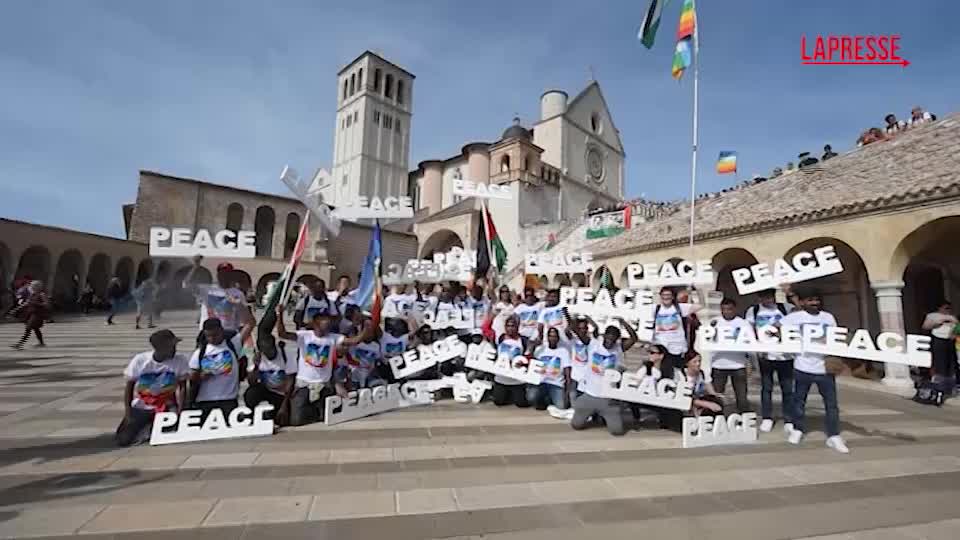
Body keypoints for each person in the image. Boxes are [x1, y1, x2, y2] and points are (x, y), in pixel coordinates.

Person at [781, 287, 848, 453]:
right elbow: (773, 330)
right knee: (799, 402)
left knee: (831, 405)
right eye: (810, 300)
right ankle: (798, 429)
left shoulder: (828, 317)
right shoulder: (793, 318)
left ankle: (833, 435)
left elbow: (836, 337)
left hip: (825, 368)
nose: (815, 303)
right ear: (802, 302)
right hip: (802, 366)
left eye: (817, 300)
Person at [275, 307, 368, 426]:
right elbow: (282, 334)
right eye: (324, 321)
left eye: (328, 321)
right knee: (297, 421)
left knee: (325, 418)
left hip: (324, 384)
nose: (327, 324)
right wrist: (280, 314)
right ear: (315, 323)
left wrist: (365, 329)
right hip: (304, 384)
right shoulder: (304, 336)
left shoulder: (333, 337)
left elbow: (354, 341)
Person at [116, 329, 190, 446]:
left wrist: (181, 410)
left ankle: (151, 428)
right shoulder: (141, 360)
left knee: (171, 435)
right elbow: (129, 387)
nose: (175, 349)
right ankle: (147, 426)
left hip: (167, 405)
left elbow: (183, 388)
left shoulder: (180, 360)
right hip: (142, 405)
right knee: (123, 440)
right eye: (171, 346)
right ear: (160, 348)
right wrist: (128, 412)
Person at [570, 318, 638, 436]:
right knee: (576, 425)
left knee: (617, 431)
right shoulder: (593, 344)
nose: (609, 341)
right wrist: (582, 318)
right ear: (604, 335)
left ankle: (604, 416)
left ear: (617, 339)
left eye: (613, 339)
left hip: (607, 398)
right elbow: (575, 330)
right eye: (608, 337)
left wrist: (624, 322)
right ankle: (591, 413)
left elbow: (634, 338)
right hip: (590, 394)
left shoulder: (619, 349)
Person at [746, 289, 794, 433]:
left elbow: (798, 312)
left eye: (770, 297)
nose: (767, 300)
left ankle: (789, 419)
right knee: (767, 388)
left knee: (787, 388)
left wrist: (790, 293)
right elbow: (750, 330)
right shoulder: (753, 311)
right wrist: (755, 348)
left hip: (785, 355)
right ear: (759, 298)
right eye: (764, 297)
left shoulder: (785, 308)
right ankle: (767, 417)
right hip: (765, 355)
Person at [187, 316, 255, 418]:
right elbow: (191, 377)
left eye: (215, 335)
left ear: (221, 331)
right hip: (205, 400)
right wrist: (200, 376)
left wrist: (240, 304)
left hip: (228, 399)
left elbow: (250, 324)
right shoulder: (200, 353)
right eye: (208, 336)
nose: (212, 338)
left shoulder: (233, 344)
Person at [708, 298, 753, 413]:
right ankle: (716, 418)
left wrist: (750, 362)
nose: (726, 312)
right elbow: (707, 340)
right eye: (723, 309)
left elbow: (750, 343)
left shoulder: (743, 323)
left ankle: (744, 419)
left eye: (729, 309)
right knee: (717, 395)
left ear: (735, 309)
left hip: (738, 364)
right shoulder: (714, 322)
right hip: (718, 364)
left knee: (741, 396)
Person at [244, 333, 297, 425]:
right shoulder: (258, 358)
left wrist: (284, 406)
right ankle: (251, 414)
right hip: (267, 390)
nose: (269, 353)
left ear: (274, 345)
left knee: (283, 420)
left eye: (271, 349)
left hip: (282, 394)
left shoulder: (286, 355)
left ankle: (273, 414)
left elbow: (291, 382)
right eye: (265, 351)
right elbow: (251, 382)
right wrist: (256, 366)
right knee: (250, 393)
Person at [651, 287, 701, 377]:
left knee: (678, 375)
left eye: (668, 295)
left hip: (678, 348)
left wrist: (699, 290)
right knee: (663, 374)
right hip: (661, 348)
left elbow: (700, 305)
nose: (666, 297)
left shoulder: (680, 308)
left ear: (673, 297)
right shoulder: (655, 308)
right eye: (663, 295)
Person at [491, 315, 531, 407]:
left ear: (517, 327)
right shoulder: (500, 338)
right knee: (498, 402)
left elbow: (528, 357)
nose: (510, 328)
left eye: (513, 326)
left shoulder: (523, 340)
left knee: (521, 404)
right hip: (501, 379)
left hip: (517, 380)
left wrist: (523, 362)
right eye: (508, 326)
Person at [528, 327, 571, 412]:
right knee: (530, 398)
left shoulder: (564, 351)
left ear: (558, 338)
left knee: (562, 406)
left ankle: (549, 399)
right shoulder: (541, 349)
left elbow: (567, 371)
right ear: (547, 337)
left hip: (556, 384)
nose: (552, 338)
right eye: (550, 336)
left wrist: (567, 390)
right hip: (542, 382)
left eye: (555, 336)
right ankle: (546, 399)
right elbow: (532, 362)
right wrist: (533, 347)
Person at [923, 302, 958, 381]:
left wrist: (954, 333)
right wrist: (935, 324)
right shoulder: (932, 316)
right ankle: (938, 378)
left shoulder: (952, 317)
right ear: (940, 308)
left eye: (949, 308)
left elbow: (957, 326)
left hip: (950, 340)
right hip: (938, 339)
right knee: (938, 360)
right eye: (946, 308)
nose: (948, 310)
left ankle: (951, 379)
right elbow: (925, 327)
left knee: (951, 360)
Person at [10, 281, 48, 350]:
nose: (31, 287)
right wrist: (15, 310)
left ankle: (19, 344)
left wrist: (36, 303)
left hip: (38, 315)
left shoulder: (41, 294)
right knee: (36, 329)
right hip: (31, 314)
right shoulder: (32, 295)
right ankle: (41, 343)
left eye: (32, 286)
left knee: (28, 328)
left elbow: (46, 304)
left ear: (37, 287)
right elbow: (26, 303)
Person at [684, 352, 723, 417]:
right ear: (687, 363)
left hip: (698, 398)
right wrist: (706, 404)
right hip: (687, 401)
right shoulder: (682, 375)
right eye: (695, 362)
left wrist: (716, 396)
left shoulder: (702, 374)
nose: (698, 364)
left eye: (699, 361)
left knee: (717, 402)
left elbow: (710, 390)